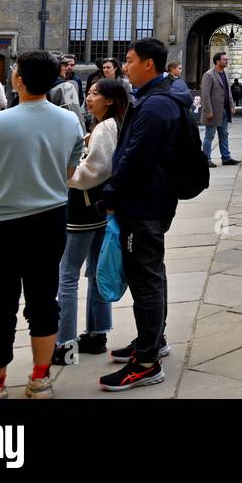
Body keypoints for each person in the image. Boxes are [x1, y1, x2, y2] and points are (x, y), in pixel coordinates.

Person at [0, 50, 85, 399]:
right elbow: (71, 172)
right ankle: (40, 379)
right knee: (44, 299)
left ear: (19, 79)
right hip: (52, 220)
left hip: (4, 225)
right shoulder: (70, 121)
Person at [99, 37, 193, 392]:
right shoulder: (158, 99)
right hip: (152, 201)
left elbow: (135, 159)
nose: (125, 66)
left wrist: (110, 196)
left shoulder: (155, 106)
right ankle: (153, 340)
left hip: (144, 205)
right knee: (152, 272)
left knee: (145, 278)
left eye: (130, 60)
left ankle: (147, 362)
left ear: (148, 64)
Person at [54, 76, 130, 366]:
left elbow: (95, 170)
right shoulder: (112, 125)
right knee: (96, 270)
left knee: (68, 275)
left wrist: (67, 174)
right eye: (89, 92)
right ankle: (97, 334)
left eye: (95, 93)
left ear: (110, 100)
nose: (89, 97)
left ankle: (64, 343)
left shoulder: (104, 127)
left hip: (84, 209)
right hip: (102, 208)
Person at [200, 51, 240, 167]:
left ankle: (226, 158)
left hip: (224, 110)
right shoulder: (209, 75)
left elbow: (228, 92)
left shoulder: (225, 74)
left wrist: (232, 106)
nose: (227, 61)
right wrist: (209, 111)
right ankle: (206, 159)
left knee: (224, 135)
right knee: (210, 135)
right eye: (224, 59)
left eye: (227, 59)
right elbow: (205, 95)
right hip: (213, 111)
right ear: (217, 61)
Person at [49, 58, 85, 128]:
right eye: (64, 65)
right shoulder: (66, 87)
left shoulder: (39, 85)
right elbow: (75, 114)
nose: (67, 68)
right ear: (56, 67)